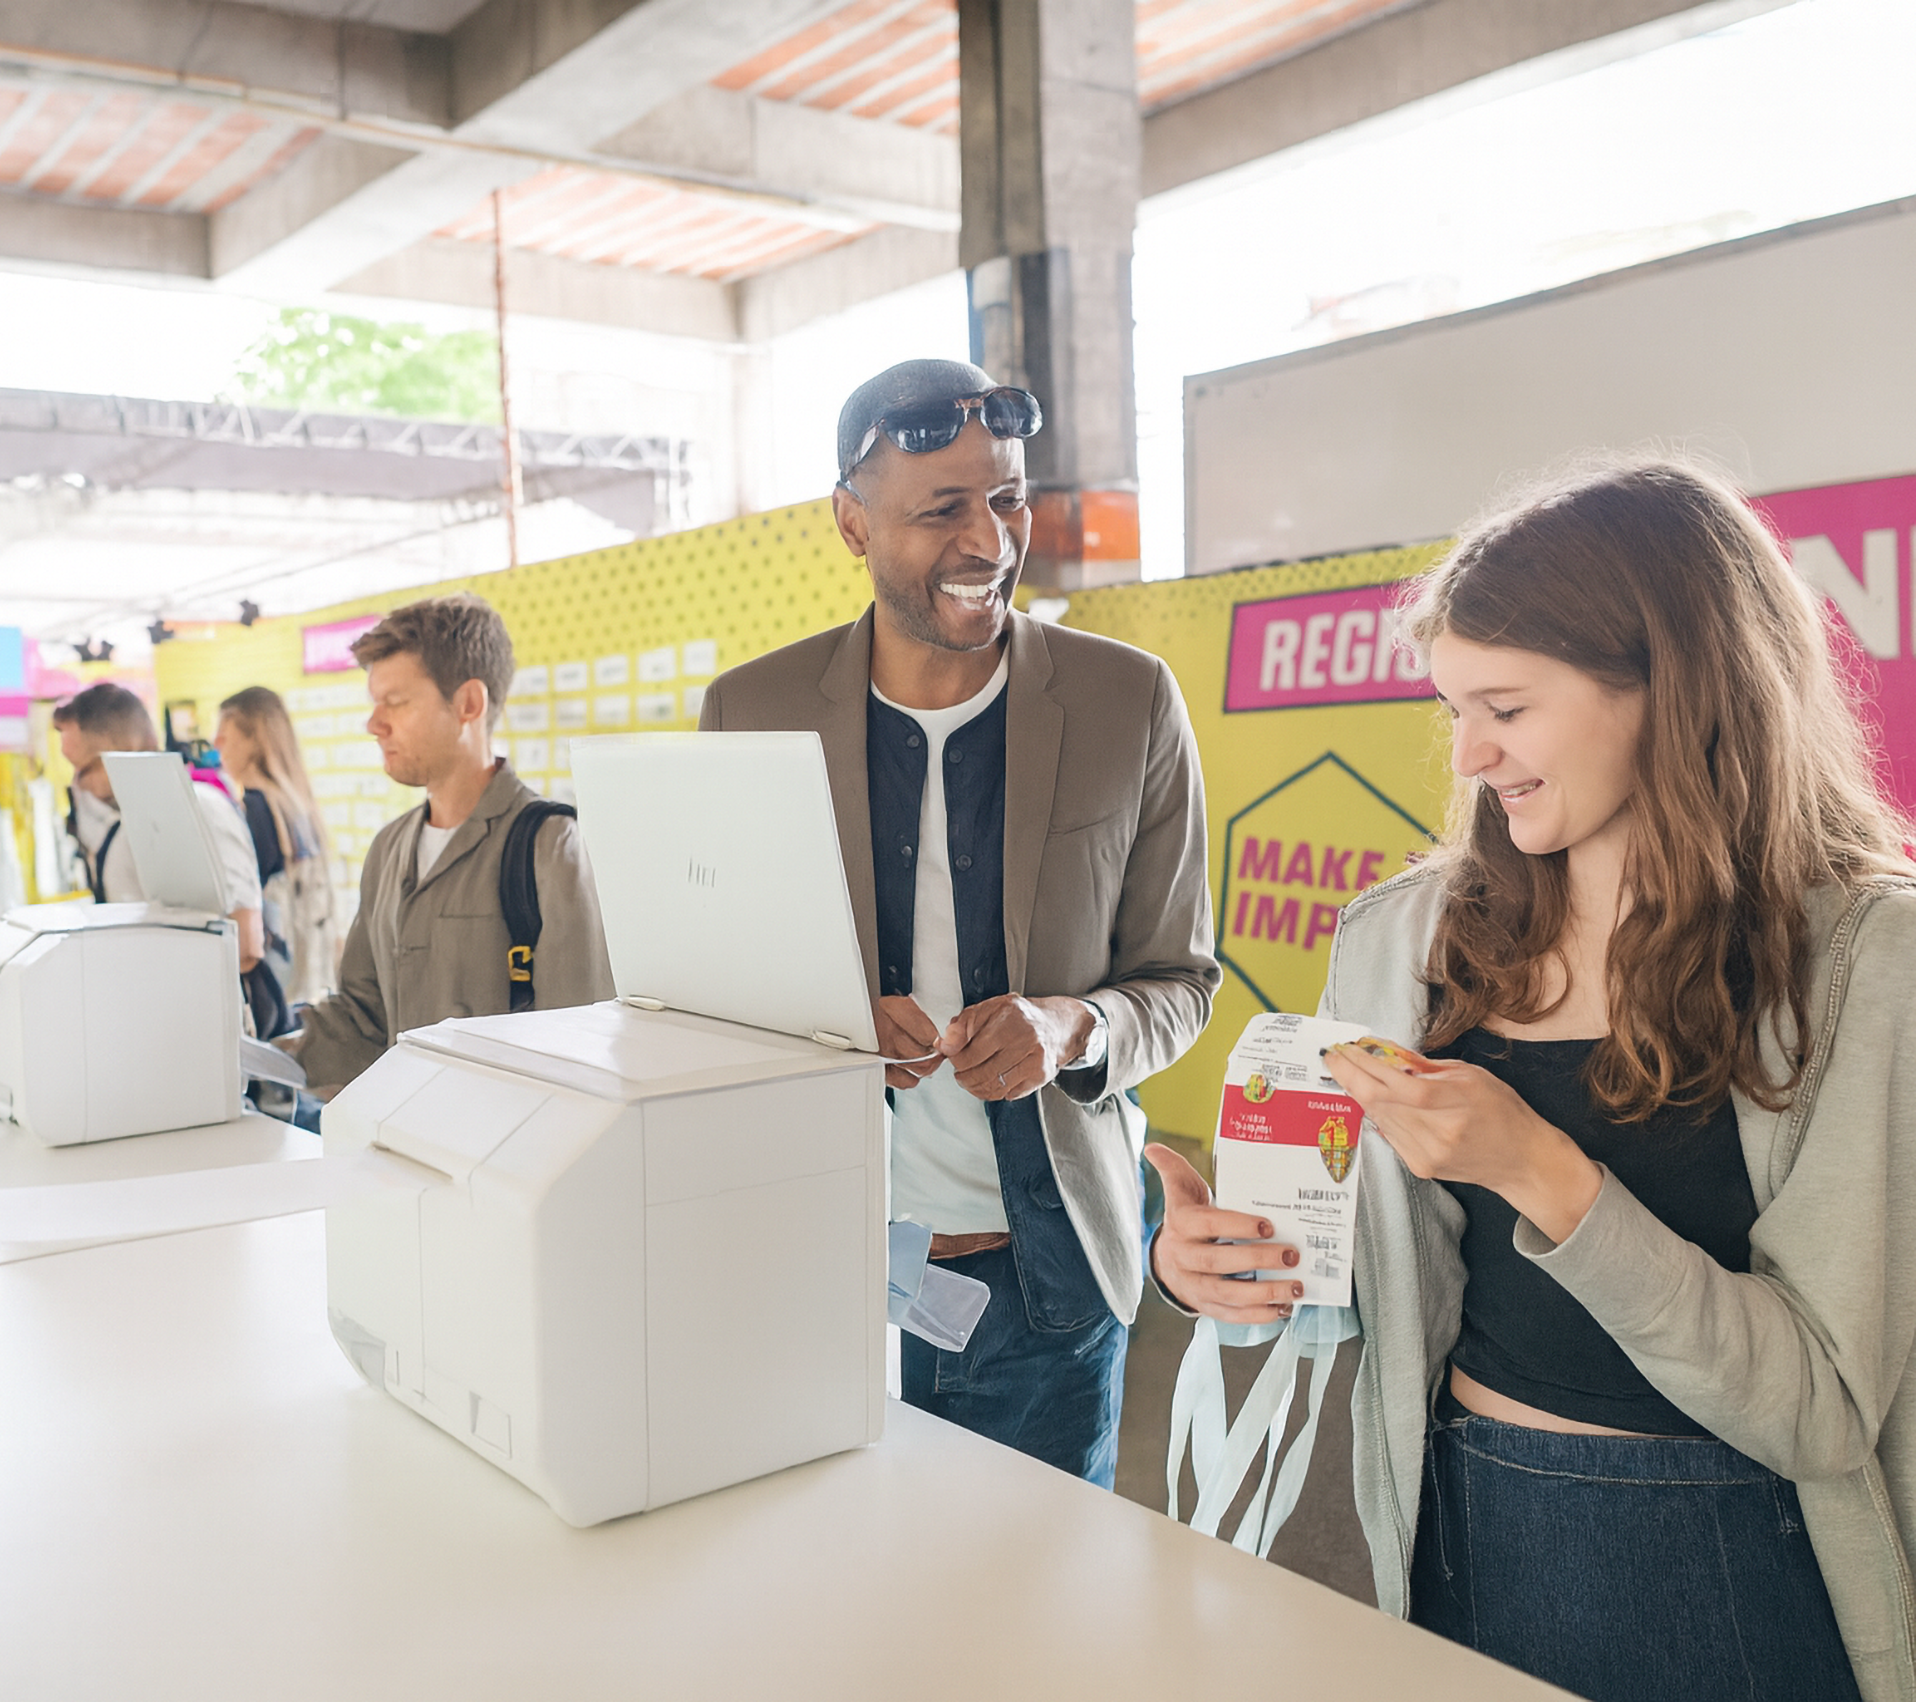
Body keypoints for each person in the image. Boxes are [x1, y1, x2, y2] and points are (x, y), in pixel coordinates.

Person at [1148, 458, 1916, 1702]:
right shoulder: (1403, 938)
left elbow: (1818, 1411)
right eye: (1452, 709)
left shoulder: (1860, 962)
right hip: (1451, 1517)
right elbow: (1359, 1282)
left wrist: (1541, 1172)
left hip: (1725, 1552)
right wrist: (1226, 1274)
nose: (1467, 755)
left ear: (1669, 682)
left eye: (1503, 706)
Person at [700, 359, 1220, 1487]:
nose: (987, 540)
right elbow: (704, 992)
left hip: (1044, 1288)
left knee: (1025, 1633)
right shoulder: (751, 713)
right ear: (849, 521)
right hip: (812, 1268)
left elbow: (1181, 982)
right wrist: (823, 1021)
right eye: (939, 509)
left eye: (1007, 498)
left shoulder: (1126, 702)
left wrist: (1070, 1026)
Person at [284, 594, 616, 1094]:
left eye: (395, 702)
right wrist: (256, 1056)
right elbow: (364, 1019)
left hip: (507, 1150)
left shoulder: (552, 849)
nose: (374, 724)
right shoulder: (389, 848)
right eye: (374, 703)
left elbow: (578, 1045)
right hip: (403, 1140)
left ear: (468, 705)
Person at [54, 682, 266, 975]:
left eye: (84, 769)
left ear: (117, 754)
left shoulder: (200, 809)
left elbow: (245, 945)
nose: (79, 784)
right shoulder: (128, 824)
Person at [215, 686, 339, 1007]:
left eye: (224, 736)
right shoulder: (297, 806)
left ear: (253, 740)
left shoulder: (254, 809)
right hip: (309, 984)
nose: (216, 745)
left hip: (274, 986)